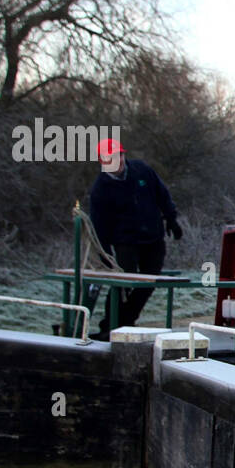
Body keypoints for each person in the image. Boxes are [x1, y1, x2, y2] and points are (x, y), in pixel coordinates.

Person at [88, 138, 183, 339]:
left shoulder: (141, 170)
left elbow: (162, 194)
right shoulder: (100, 189)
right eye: (111, 158)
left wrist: (171, 218)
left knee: (149, 281)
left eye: (119, 156)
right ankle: (110, 324)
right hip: (125, 241)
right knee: (124, 282)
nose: (117, 161)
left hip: (153, 236)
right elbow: (99, 226)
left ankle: (126, 321)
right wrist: (104, 253)